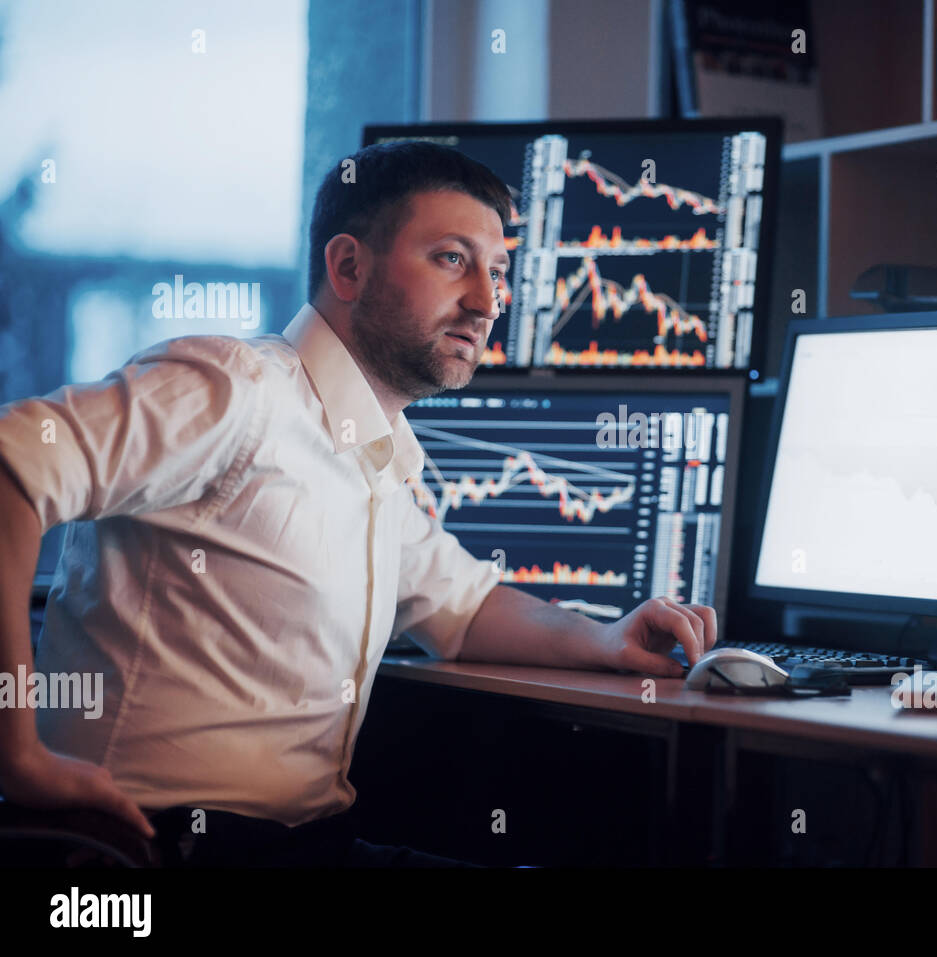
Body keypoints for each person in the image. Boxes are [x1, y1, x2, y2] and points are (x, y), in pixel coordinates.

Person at [0, 141, 716, 866]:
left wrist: (605, 638)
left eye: (497, 271)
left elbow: (464, 610)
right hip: (159, 851)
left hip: (305, 846)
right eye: (451, 259)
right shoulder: (234, 390)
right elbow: (8, 469)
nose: (487, 301)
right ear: (348, 267)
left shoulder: (372, 453)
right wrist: (17, 754)